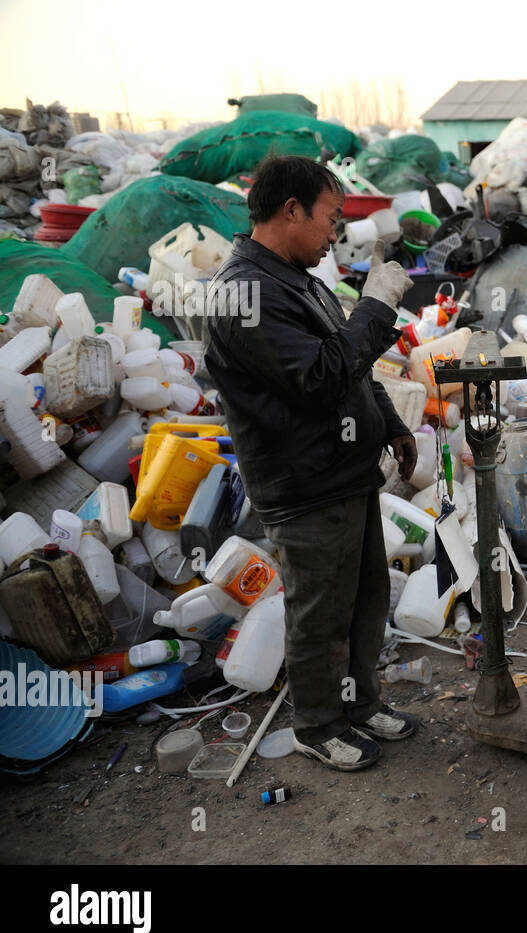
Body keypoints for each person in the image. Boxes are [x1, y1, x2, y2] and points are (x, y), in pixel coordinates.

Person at [202, 155, 419, 771]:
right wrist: (375, 309)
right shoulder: (243, 293)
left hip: (345, 473)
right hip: (304, 483)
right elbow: (320, 379)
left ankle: (359, 703)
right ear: (290, 209)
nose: (334, 233)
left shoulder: (302, 281)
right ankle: (317, 724)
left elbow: (350, 366)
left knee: (364, 601)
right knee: (319, 613)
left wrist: (392, 423)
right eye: (330, 217)